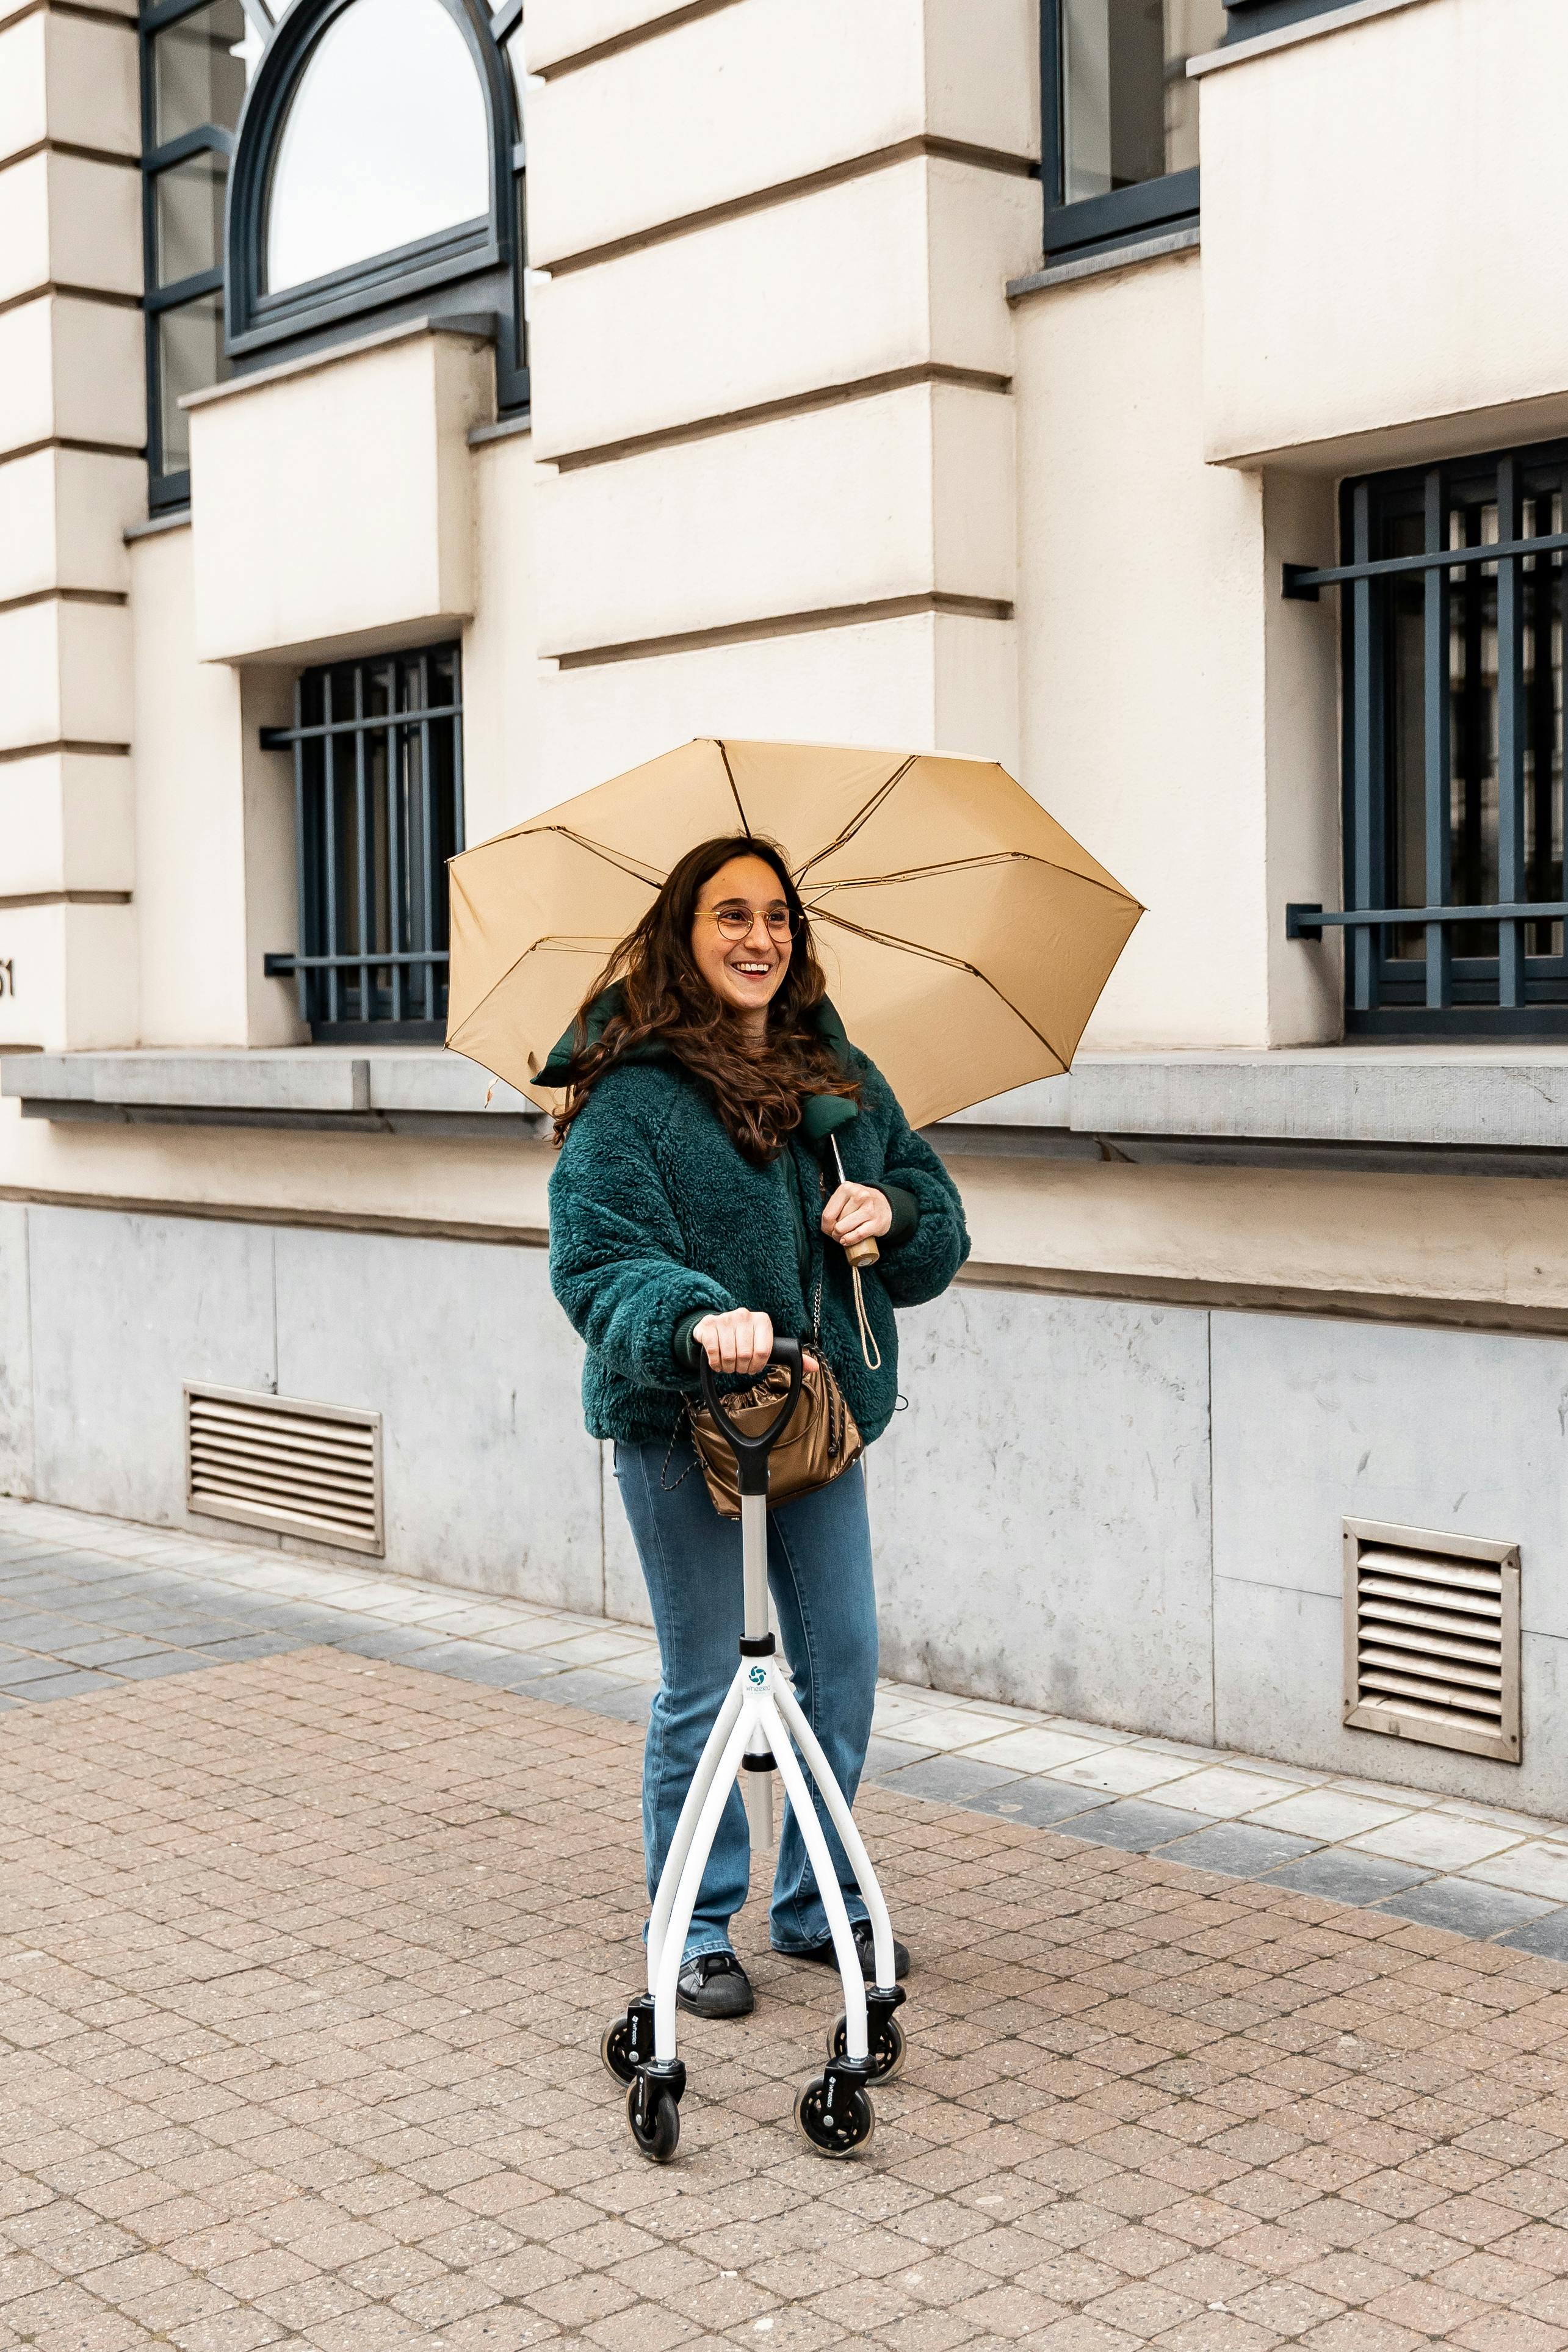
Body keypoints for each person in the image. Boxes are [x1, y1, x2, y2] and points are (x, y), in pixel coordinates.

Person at [544, 833, 969, 2018]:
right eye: (729, 915)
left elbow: (938, 1220)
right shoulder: (633, 1096)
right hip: (685, 1426)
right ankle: (691, 1921)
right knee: (708, 1686)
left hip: (815, 1417)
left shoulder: (835, 1073)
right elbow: (597, 1262)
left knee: (837, 1667)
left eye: (777, 916)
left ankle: (812, 1902)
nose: (758, 938)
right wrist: (694, 1318)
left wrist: (889, 1210)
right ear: (684, 937)